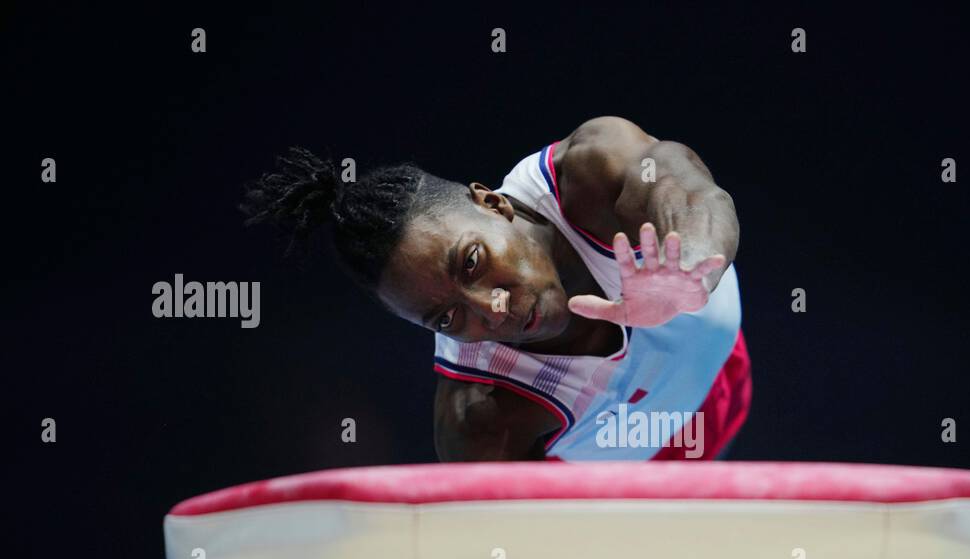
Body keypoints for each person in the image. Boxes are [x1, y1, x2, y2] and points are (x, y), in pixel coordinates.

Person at [242, 116, 749, 461]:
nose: (492, 310)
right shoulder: (481, 420)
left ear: (491, 202)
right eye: (447, 319)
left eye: (472, 262)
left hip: (722, 377)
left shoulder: (590, 170)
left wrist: (690, 268)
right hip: (632, 479)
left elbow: (688, 188)